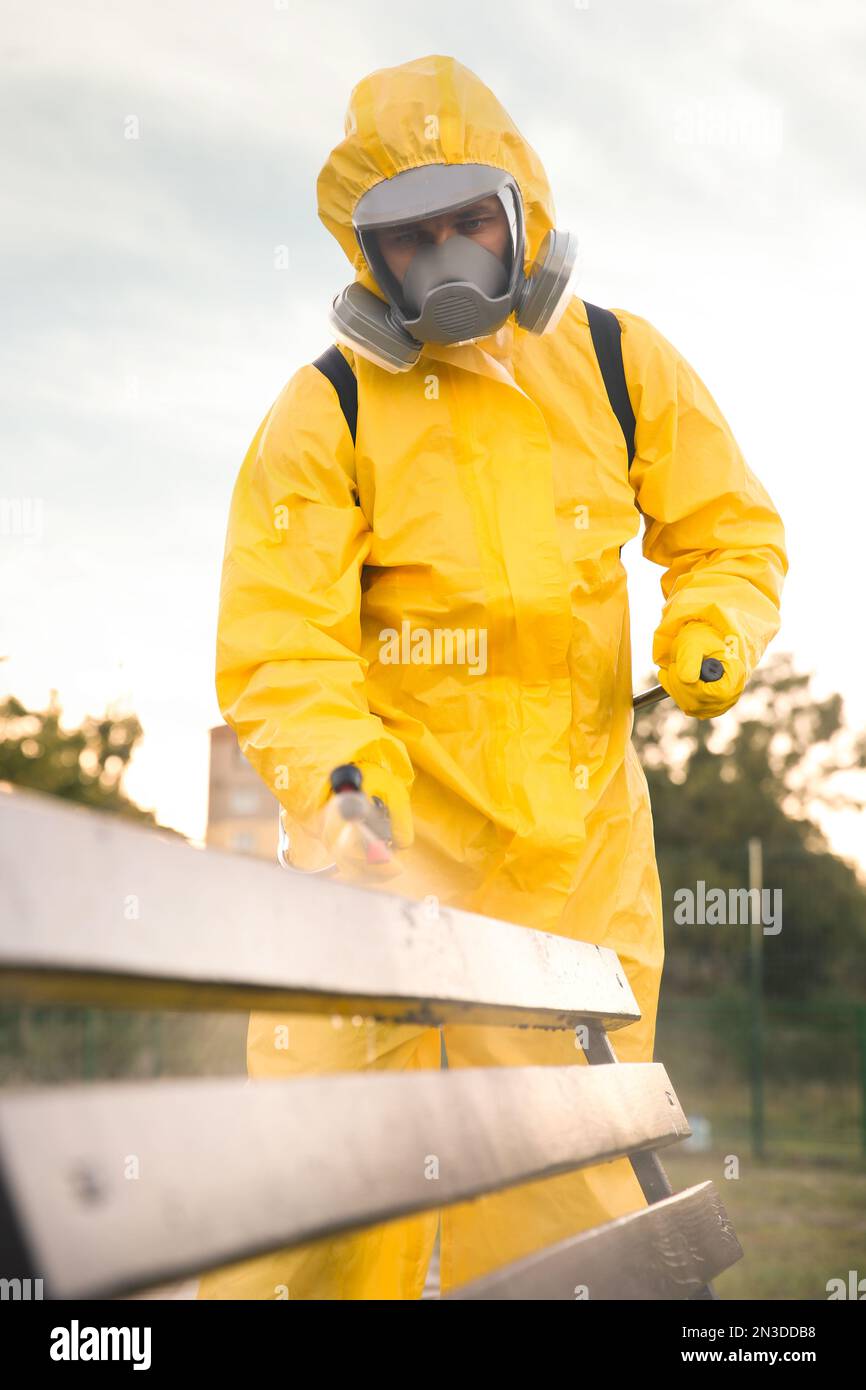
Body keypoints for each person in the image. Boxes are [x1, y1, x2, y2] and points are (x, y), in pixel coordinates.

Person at [196, 53, 787, 1300]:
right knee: (314, 1216)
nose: (448, 253)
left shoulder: (624, 363)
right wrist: (338, 774)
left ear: (523, 211)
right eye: (411, 235)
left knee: (567, 1233)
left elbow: (727, 531)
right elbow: (277, 634)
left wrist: (712, 624)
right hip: (372, 874)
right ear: (370, 258)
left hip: (576, 889)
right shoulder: (329, 408)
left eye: (472, 217)